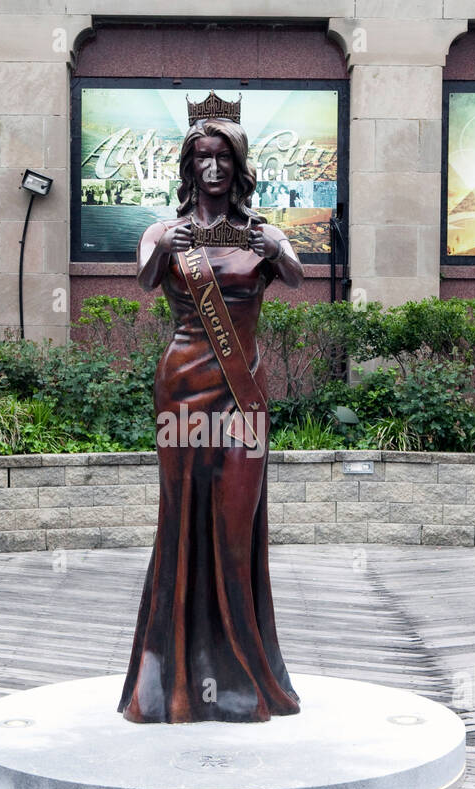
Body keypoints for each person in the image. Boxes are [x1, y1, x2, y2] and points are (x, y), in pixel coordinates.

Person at [118, 96, 303, 723]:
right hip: (180, 392)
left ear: (239, 166)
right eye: (202, 158)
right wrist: (164, 242)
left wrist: (274, 247)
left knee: (234, 525)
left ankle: (244, 673)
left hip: (243, 395)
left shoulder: (261, 234)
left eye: (224, 157)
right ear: (188, 167)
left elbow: (299, 276)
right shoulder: (162, 233)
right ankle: (170, 678)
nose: (213, 168)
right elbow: (144, 279)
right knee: (180, 520)